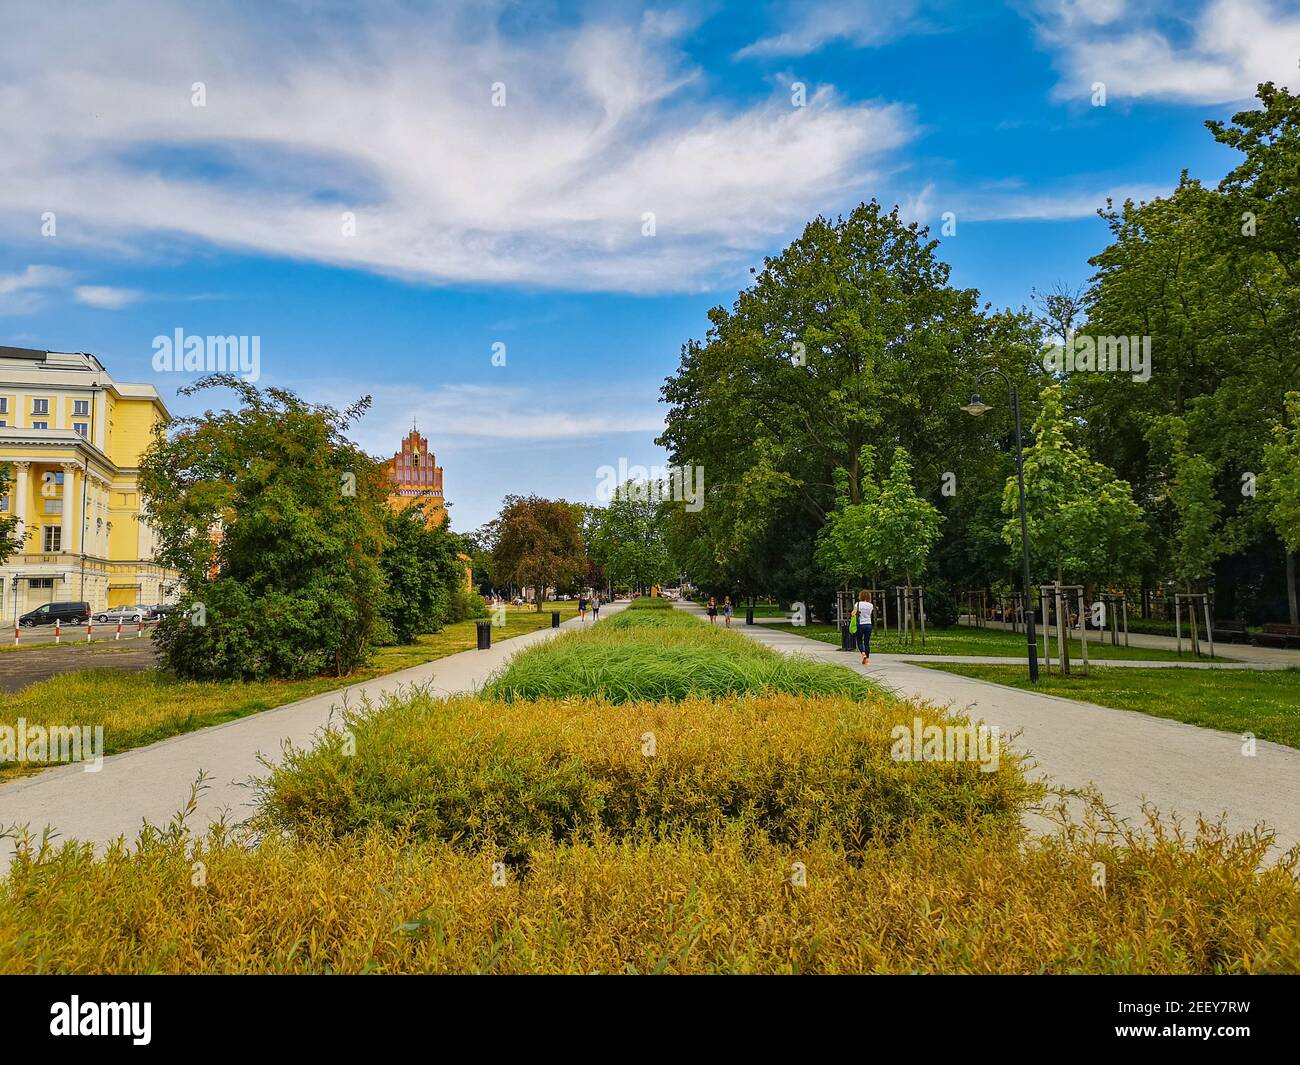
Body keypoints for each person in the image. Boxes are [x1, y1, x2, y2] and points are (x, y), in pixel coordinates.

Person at [854, 589, 874, 665]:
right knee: (867, 642)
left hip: (860, 624)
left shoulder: (857, 604)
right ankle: (867, 659)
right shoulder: (871, 605)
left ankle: (863, 653)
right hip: (868, 624)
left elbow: (853, 613)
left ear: (861, 596)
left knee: (859, 640)